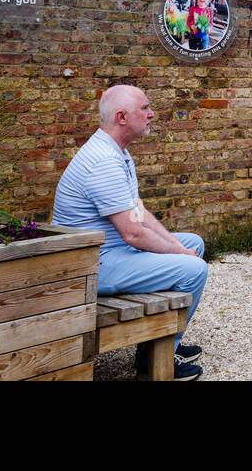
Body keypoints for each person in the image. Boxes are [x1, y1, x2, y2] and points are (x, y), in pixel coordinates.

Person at [52, 85, 208, 380]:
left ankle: (156, 342)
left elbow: (139, 213)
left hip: (112, 253)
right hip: (93, 265)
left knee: (194, 244)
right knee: (194, 269)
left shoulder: (117, 153)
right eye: (145, 109)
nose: (152, 114)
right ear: (122, 117)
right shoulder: (103, 161)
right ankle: (157, 360)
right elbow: (133, 234)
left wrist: (177, 245)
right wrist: (180, 255)